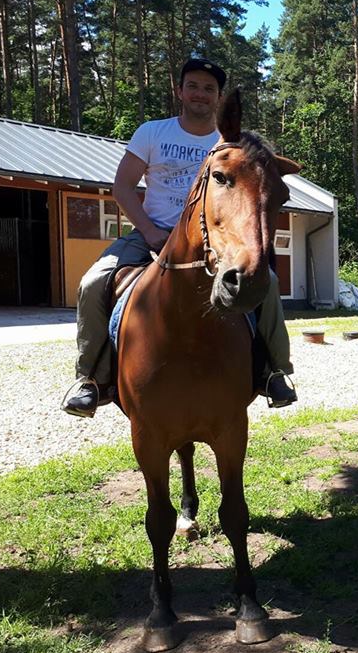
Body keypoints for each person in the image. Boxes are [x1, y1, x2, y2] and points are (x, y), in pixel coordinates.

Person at [62, 57, 296, 418]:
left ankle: (274, 372)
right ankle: (91, 378)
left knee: (265, 282)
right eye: (194, 86)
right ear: (180, 91)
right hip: (152, 232)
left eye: (209, 89)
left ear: (218, 98)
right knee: (93, 281)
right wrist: (150, 231)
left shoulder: (232, 144)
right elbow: (123, 187)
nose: (200, 94)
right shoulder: (152, 133)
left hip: (214, 241)